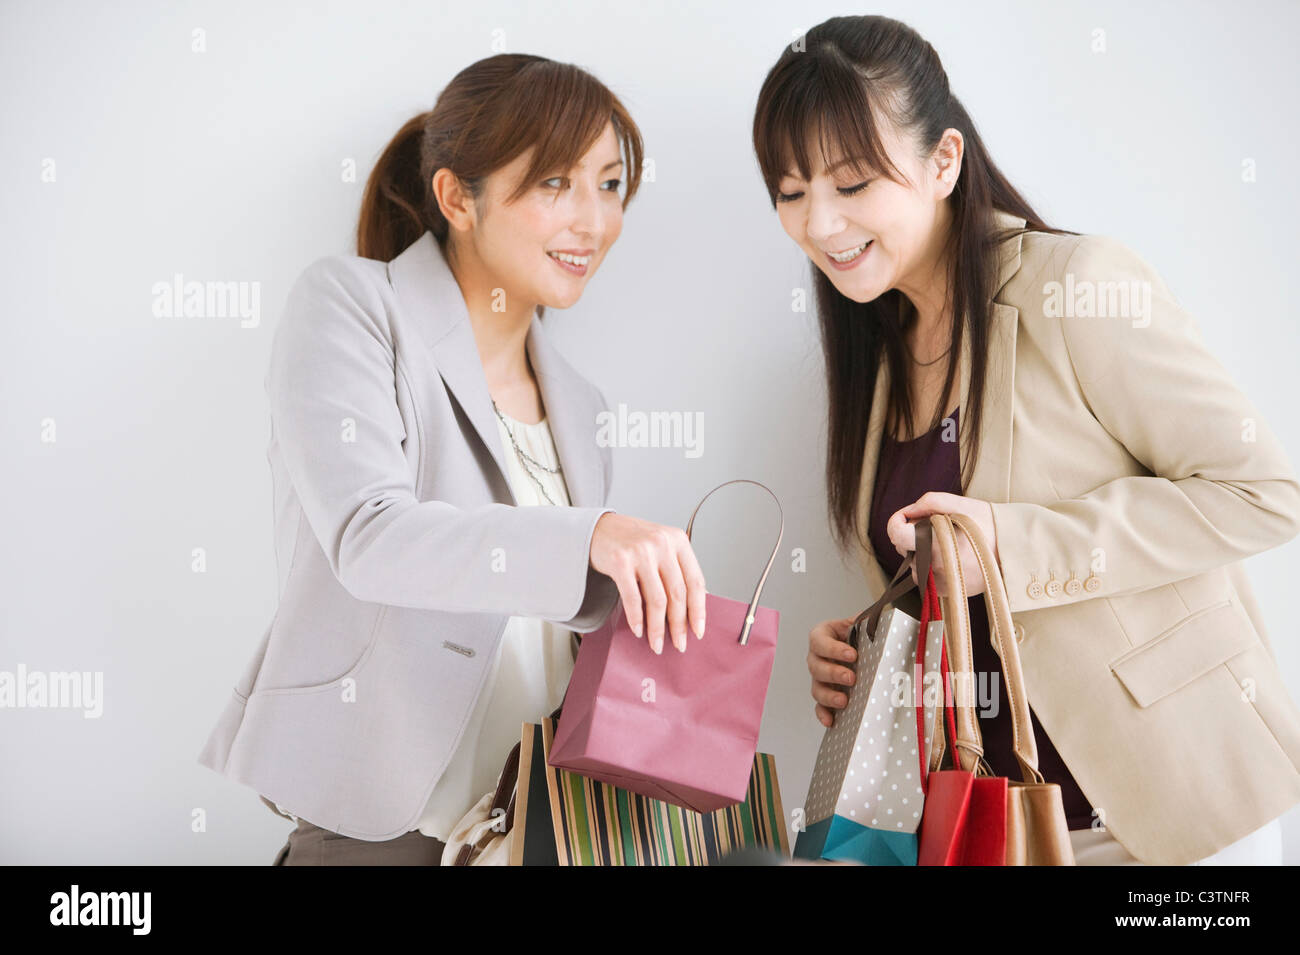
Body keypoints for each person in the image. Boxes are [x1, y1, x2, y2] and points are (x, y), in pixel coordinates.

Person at [754, 15, 1300, 865]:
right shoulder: (880, 358)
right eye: (790, 192)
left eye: (853, 183)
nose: (820, 224)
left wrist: (1004, 546)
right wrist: (871, 639)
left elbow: (1264, 492)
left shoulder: (1074, 287)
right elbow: (959, 589)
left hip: (1172, 819)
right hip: (1002, 834)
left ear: (943, 162)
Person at [198, 54, 708, 865]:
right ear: (455, 197)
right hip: (378, 828)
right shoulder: (353, 308)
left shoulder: (583, 404)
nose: (594, 219)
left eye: (610, 185)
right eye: (554, 183)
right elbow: (371, 534)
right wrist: (590, 538)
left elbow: (558, 626)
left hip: (531, 833)